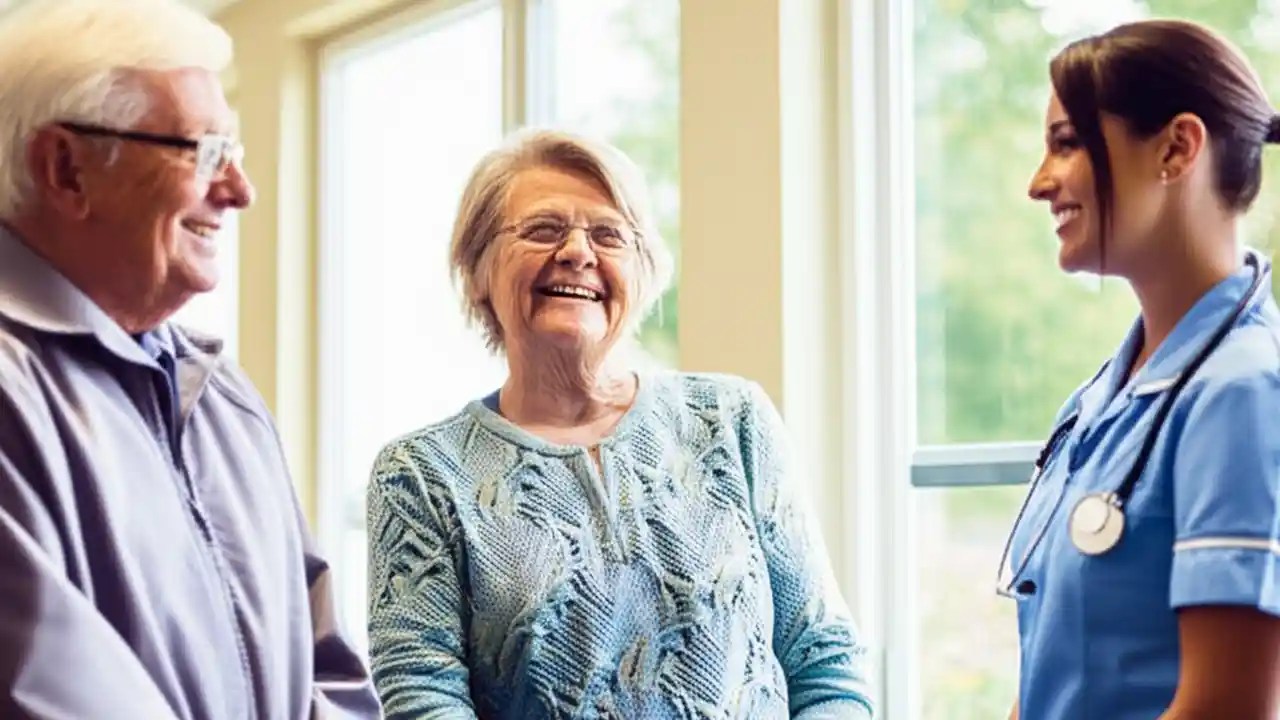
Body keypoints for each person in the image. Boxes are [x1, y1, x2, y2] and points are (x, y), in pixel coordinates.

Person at [365, 128, 874, 719]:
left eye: (609, 235)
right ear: (476, 270)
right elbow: (423, 697)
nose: (579, 252)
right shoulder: (421, 474)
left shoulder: (733, 420)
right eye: (543, 229)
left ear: (644, 271)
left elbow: (824, 663)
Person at [0, 1, 381, 718]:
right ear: (65, 168)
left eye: (233, 156)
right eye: (205, 153)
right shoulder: (10, 391)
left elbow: (327, 678)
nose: (239, 191)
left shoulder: (223, 399)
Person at [1009, 18, 1280, 720]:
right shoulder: (1101, 400)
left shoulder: (1242, 393)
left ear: (1177, 148)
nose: (1040, 183)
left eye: (1066, 144)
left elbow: (1226, 709)